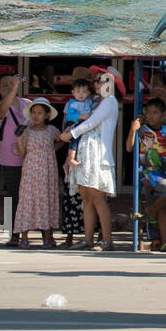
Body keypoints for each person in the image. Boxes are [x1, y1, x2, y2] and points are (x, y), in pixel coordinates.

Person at [59, 69, 119, 251]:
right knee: (85, 197)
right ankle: (88, 239)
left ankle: (107, 240)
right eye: (96, 80)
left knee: (97, 196)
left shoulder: (110, 101)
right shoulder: (92, 103)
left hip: (98, 153)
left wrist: (71, 134)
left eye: (101, 80)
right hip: (84, 152)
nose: (97, 84)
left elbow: (92, 123)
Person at [128, 98, 166, 252]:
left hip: (163, 172)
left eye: (155, 113)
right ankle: (150, 211)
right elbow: (129, 148)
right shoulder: (142, 130)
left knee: (163, 208)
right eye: (148, 113)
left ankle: (164, 241)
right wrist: (133, 129)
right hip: (148, 173)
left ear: (163, 115)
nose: (151, 116)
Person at [13, 98, 60, 248]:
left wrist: (51, 151)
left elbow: (61, 140)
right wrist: (19, 140)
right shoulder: (27, 131)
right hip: (31, 169)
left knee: (46, 198)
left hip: (47, 169)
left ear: (46, 115)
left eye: (39, 113)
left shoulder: (52, 130)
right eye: (33, 113)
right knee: (28, 199)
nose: (36, 116)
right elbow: (22, 153)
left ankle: (47, 236)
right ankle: (24, 236)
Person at [0, 74, 31, 247]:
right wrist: (14, 89)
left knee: (29, 197)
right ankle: (14, 233)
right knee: (15, 197)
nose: (9, 87)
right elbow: (2, 112)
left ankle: (26, 233)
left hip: (30, 157)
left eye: (11, 84)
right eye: (5, 85)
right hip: (9, 158)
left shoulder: (28, 104)